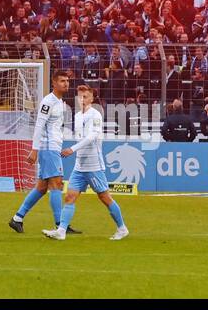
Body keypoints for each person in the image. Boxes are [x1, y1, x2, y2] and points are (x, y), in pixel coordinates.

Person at [42, 85, 128, 241]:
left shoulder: (95, 115)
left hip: (93, 165)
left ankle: (122, 228)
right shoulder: (78, 116)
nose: (82, 100)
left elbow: (91, 137)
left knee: (105, 197)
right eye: (80, 96)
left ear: (92, 98)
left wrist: (72, 149)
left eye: (85, 97)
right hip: (79, 166)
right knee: (70, 197)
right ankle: (61, 231)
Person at [9, 70, 77, 234]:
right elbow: (39, 125)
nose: (66, 83)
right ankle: (61, 225)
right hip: (48, 148)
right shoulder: (48, 102)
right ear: (53, 83)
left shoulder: (60, 102)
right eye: (62, 81)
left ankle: (17, 219)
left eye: (67, 80)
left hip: (52, 146)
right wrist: (34, 149)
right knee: (57, 184)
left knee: (41, 188)